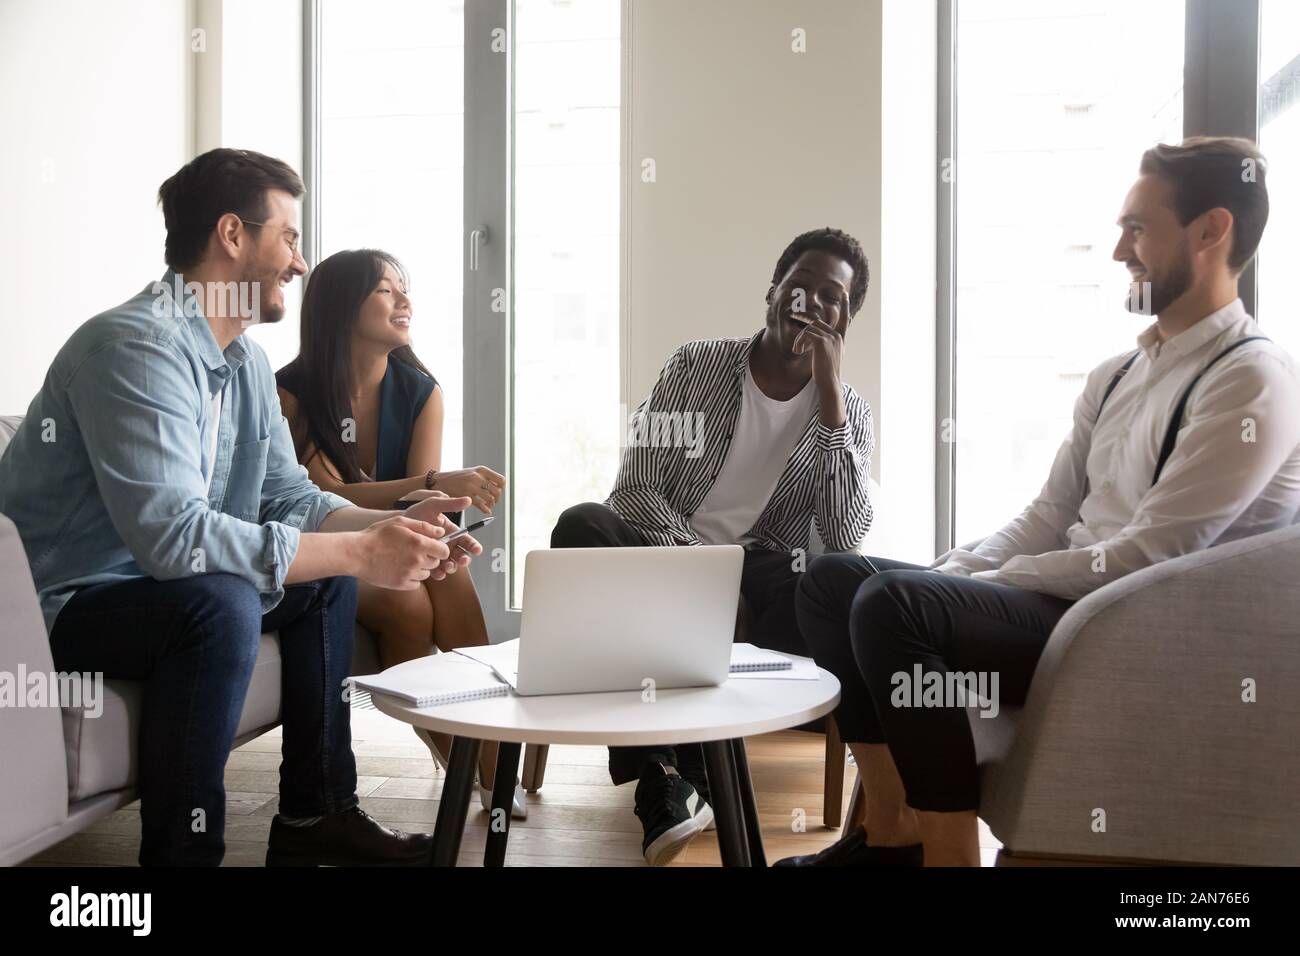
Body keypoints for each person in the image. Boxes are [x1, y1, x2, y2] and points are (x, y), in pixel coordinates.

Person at [783, 137, 1300, 867]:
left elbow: (1156, 554)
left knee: (893, 608)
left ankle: (947, 854)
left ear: (1211, 231)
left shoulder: (1252, 379)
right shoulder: (1117, 373)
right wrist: (955, 567)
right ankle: (891, 833)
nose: (1120, 250)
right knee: (837, 582)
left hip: (1123, 631)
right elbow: (1048, 515)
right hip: (1067, 608)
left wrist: (978, 586)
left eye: (1138, 228)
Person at [0, 147, 483, 866]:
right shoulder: (134, 348)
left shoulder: (247, 363)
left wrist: (394, 528)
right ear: (233, 235)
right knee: (219, 601)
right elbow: (176, 542)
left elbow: (286, 496)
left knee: (320, 582)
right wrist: (362, 550)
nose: (299, 262)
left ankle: (316, 815)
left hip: (151, 590)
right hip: (63, 607)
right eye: (288, 237)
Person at [551, 227, 875, 864]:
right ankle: (682, 776)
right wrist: (703, 577)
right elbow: (636, 489)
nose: (811, 302)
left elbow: (843, 535)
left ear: (845, 321)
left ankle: (672, 777)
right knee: (581, 526)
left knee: (835, 587)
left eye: (831, 297)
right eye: (799, 285)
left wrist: (832, 402)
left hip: (760, 575)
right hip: (662, 553)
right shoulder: (695, 365)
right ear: (772, 295)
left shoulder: (848, 412)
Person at [276, 248, 523, 817]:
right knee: (408, 609)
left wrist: (439, 499)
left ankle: (490, 763)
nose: (404, 300)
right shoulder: (290, 394)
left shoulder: (419, 391)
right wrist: (435, 481)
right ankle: (468, 761)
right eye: (387, 290)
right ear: (341, 306)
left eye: (403, 288)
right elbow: (324, 500)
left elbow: (419, 501)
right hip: (324, 547)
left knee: (451, 581)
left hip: (391, 543)